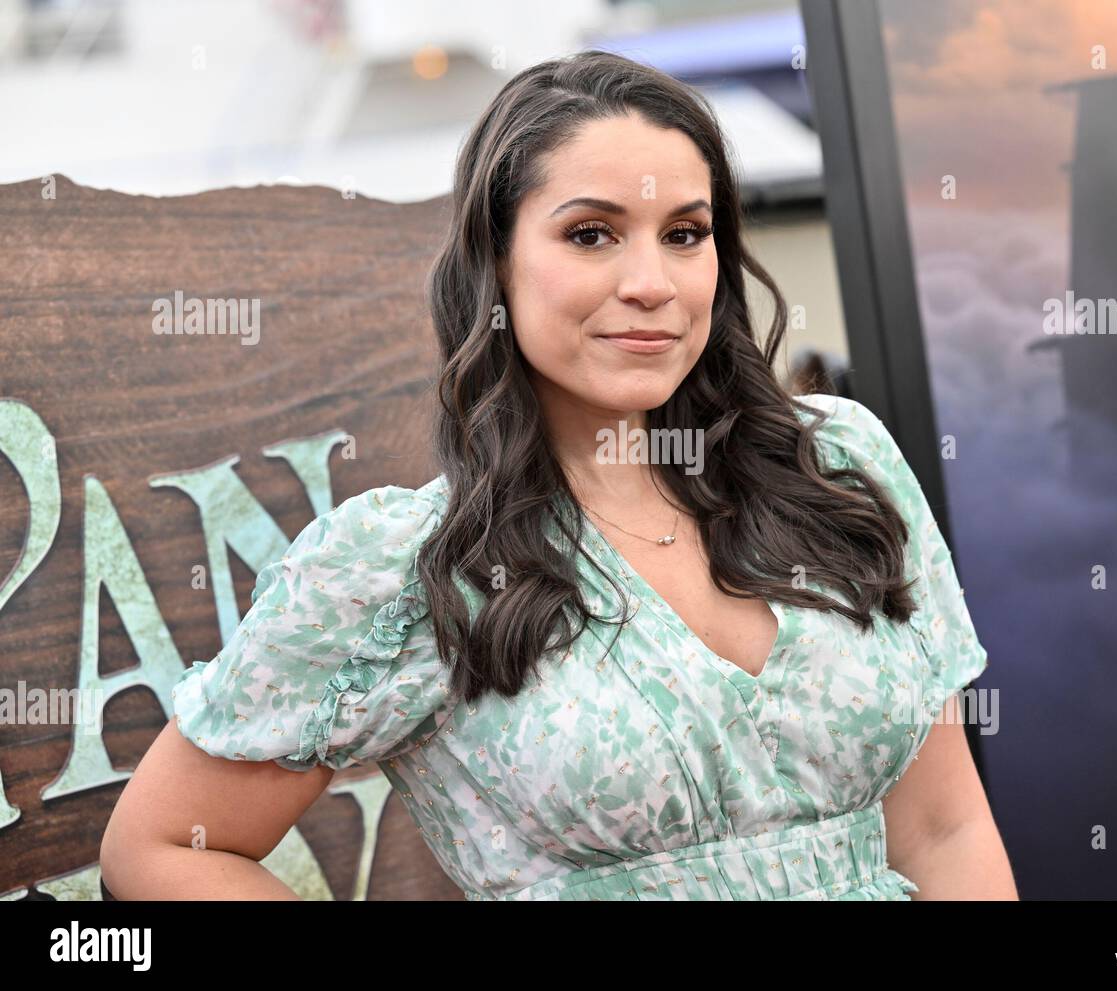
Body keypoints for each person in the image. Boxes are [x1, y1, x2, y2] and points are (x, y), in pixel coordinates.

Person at [100, 49, 1016, 901]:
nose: (652, 281)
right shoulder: (404, 569)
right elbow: (162, 848)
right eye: (592, 235)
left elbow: (943, 829)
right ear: (495, 263)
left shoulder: (839, 464)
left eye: (686, 233)